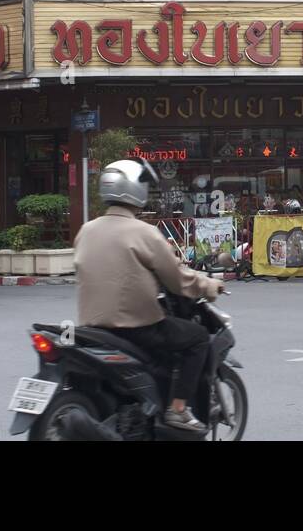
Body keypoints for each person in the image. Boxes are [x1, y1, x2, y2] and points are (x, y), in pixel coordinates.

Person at [75, 159, 225, 431]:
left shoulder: (86, 230)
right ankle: (178, 409)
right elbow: (178, 279)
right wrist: (207, 286)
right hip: (135, 328)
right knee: (198, 338)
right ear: (135, 189)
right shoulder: (144, 232)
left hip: (92, 328)